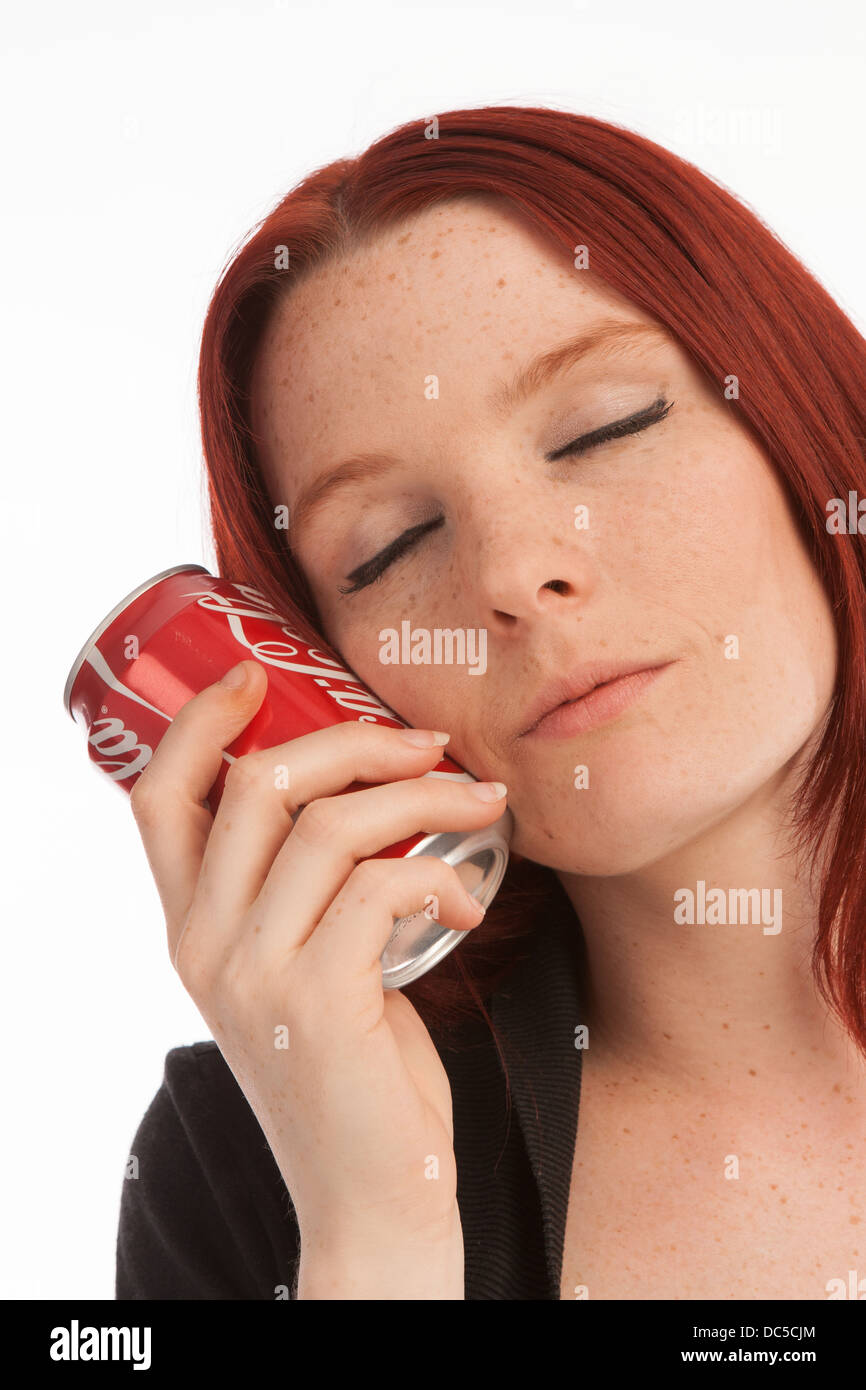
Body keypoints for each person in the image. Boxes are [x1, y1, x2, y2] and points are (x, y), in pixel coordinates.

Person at [115, 104, 866, 1301]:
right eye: (390, 545)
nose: (513, 572)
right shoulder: (244, 1175)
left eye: (603, 427)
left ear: (798, 425)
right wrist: (375, 1238)